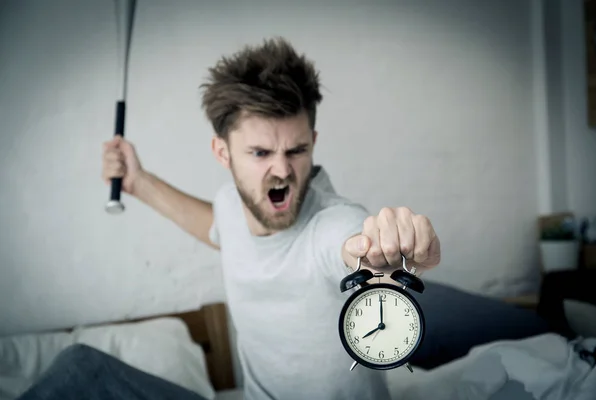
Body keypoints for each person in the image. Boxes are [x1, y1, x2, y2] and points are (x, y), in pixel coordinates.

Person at [102, 36, 441, 400]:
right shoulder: (231, 205)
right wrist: (139, 183)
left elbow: (356, 251)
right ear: (223, 152)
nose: (282, 169)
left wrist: (393, 256)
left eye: (297, 150)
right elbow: (217, 228)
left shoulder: (335, 224)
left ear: (313, 141)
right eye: (261, 152)